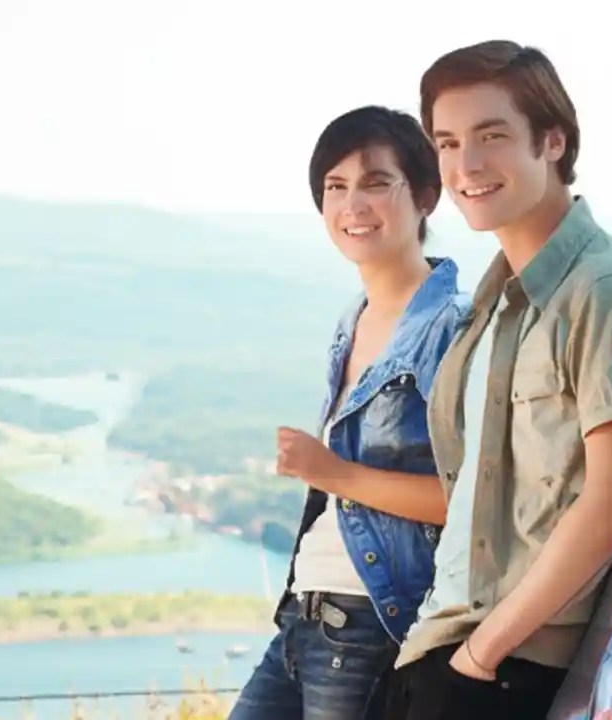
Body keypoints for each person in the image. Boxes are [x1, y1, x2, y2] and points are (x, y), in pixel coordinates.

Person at [378, 40, 612, 720]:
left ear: (553, 141)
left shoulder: (606, 287)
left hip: (509, 669)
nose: (466, 166)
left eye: (492, 137)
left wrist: (479, 658)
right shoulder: (493, 304)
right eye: (448, 143)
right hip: (446, 650)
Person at [228, 105, 471, 720]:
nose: (351, 205)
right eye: (335, 187)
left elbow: (472, 502)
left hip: (371, 622)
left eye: (374, 183)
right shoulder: (353, 319)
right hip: (303, 615)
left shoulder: (452, 328)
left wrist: (331, 472)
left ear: (425, 196)